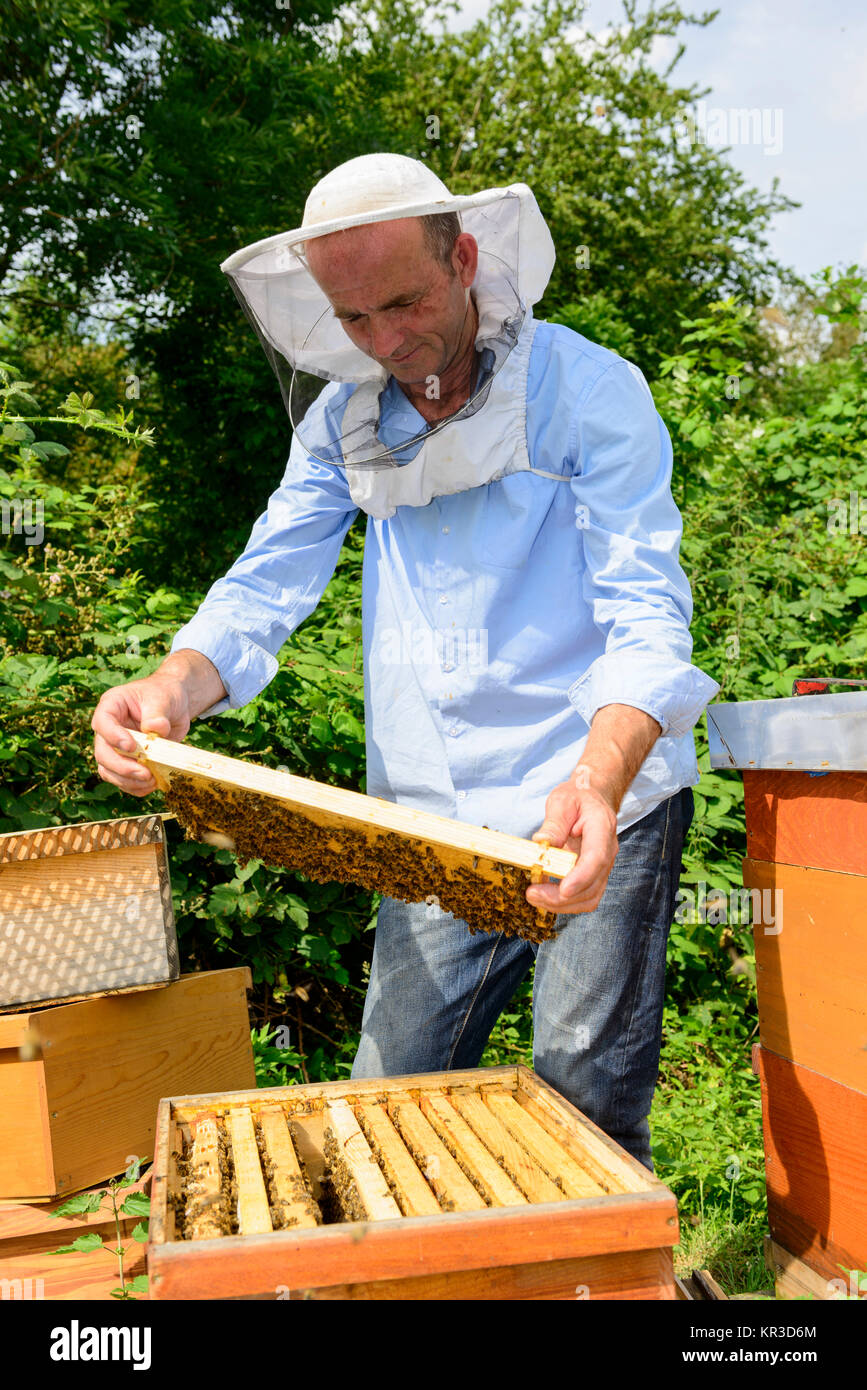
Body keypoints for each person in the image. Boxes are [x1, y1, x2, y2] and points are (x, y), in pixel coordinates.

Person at [91, 153, 719, 1170]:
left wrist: (597, 780)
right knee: (388, 1105)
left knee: (585, 1100)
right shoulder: (341, 422)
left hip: (600, 798)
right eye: (354, 320)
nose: (386, 340)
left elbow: (647, 613)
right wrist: (170, 687)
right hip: (430, 822)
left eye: (405, 303)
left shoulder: (590, 390)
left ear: (464, 258)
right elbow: (265, 582)